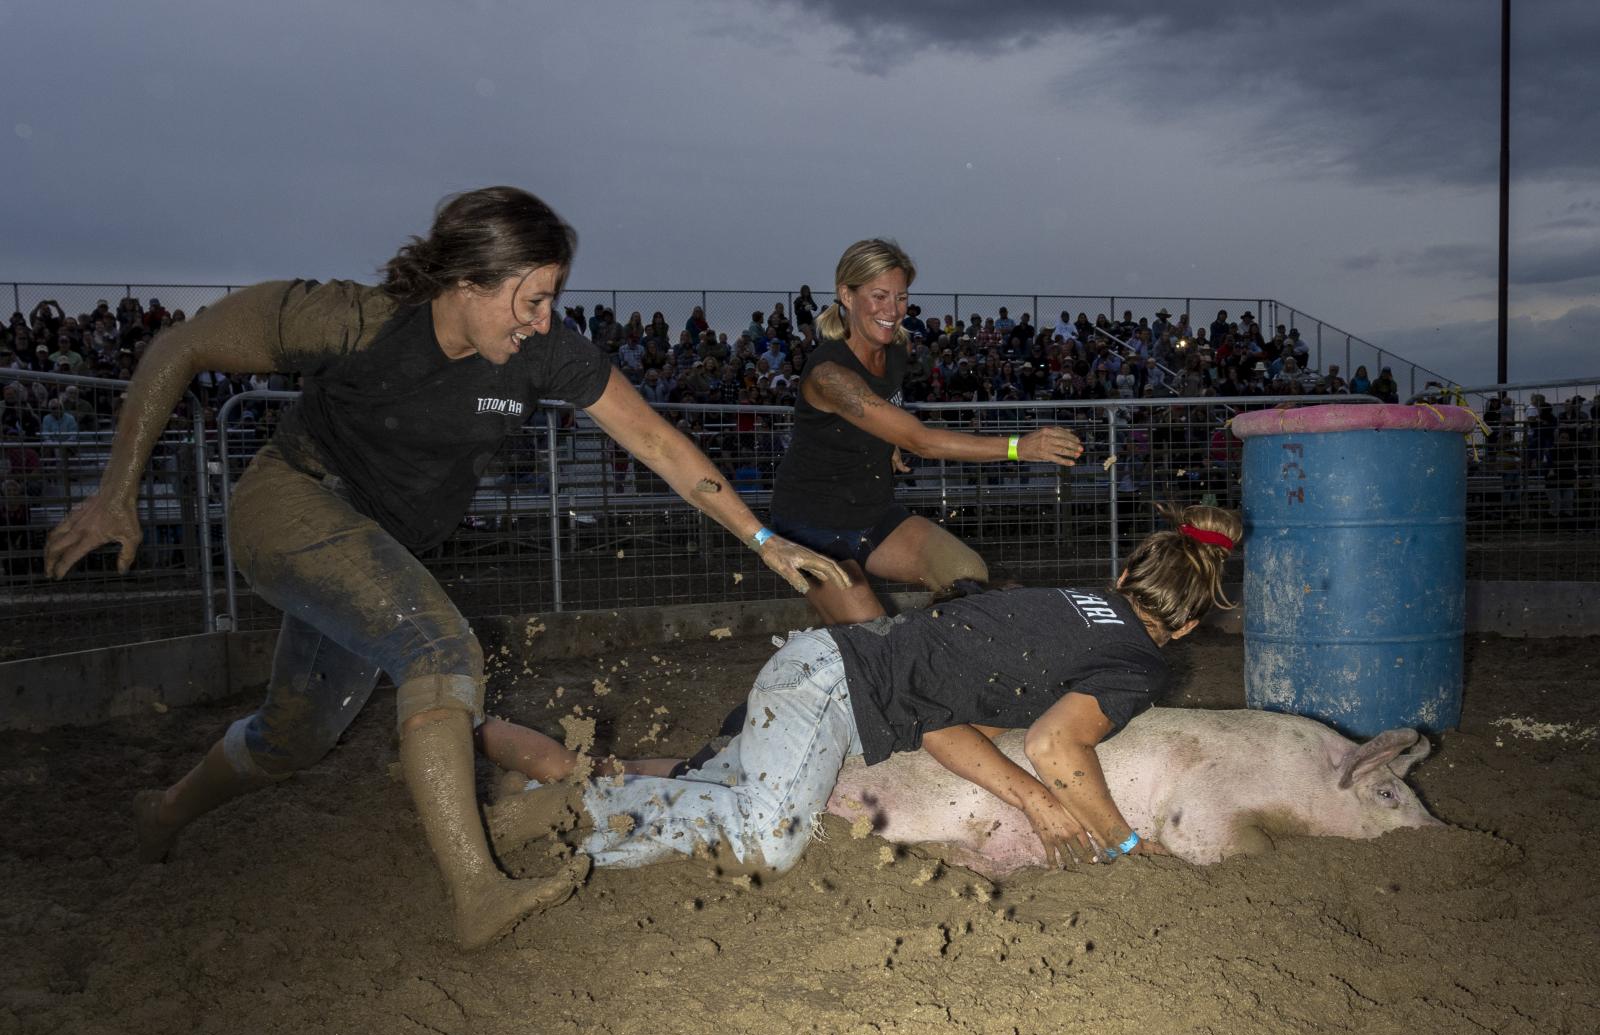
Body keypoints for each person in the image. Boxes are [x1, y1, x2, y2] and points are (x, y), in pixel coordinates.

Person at [42, 186, 851, 951]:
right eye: (529, 299)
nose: (543, 321)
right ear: (467, 279)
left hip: (375, 553)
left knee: (295, 736)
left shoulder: (543, 357)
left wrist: (760, 539)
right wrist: (116, 494)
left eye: (552, 299)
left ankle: (164, 811)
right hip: (290, 503)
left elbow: (657, 441)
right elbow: (182, 344)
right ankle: (475, 894)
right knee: (440, 650)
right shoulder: (353, 319)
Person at [483, 505, 1243, 877]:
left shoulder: (1064, 608)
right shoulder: (1138, 661)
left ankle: (537, 768)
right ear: (1188, 626)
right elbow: (1055, 746)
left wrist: (1028, 796)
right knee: (765, 839)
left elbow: (938, 724)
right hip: (830, 688)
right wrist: (1121, 837)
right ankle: (570, 817)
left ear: (1121, 577)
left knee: (698, 782)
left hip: (822, 674)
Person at [766, 238, 1084, 625]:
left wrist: (886, 441)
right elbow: (921, 439)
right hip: (809, 524)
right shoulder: (830, 375)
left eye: (900, 298)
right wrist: (1020, 446)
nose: (892, 311)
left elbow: (882, 418)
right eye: (879, 296)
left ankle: (938, 661)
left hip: (871, 514)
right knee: (872, 638)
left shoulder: (895, 351)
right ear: (846, 295)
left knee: (967, 575)